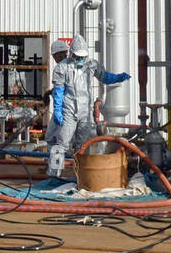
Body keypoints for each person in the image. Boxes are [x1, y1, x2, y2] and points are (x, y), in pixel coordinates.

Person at [45, 34, 130, 180]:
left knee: (82, 145)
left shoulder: (91, 65)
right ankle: (54, 174)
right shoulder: (62, 68)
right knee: (62, 144)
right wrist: (58, 109)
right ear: (72, 54)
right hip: (69, 112)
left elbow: (104, 76)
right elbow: (58, 91)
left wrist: (117, 78)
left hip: (85, 113)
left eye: (82, 57)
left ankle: (80, 176)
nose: (80, 60)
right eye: (78, 57)